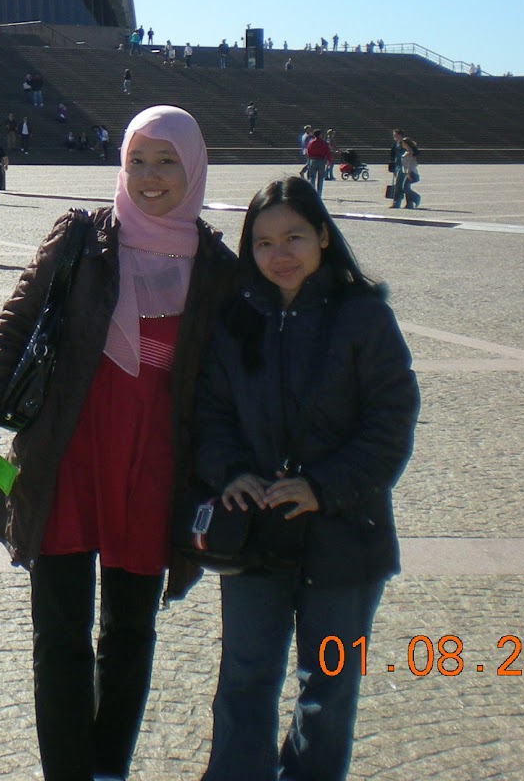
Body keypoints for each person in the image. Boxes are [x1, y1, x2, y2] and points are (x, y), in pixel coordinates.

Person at [0, 106, 237, 781]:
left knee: (130, 632)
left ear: (194, 169)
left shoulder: (219, 271)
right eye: (137, 160)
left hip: (153, 468)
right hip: (67, 456)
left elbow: (235, 383)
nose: (149, 176)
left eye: (166, 162)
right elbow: (14, 322)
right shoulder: (84, 238)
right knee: (60, 633)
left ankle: (108, 768)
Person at [194, 177, 418, 781]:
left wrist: (322, 487)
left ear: (322, 236)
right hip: (256, 533)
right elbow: (210, 415)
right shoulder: (236, 319)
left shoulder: (365, 318)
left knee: (329, 690)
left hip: (346, 534)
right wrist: (231, 473)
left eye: (293, 237)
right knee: (244, 678)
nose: (280, 254)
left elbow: (390, 423)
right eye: (263, 243)